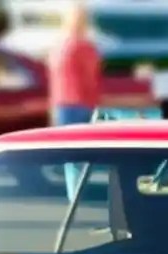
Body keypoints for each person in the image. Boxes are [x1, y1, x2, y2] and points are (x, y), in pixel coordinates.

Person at [46, 3, 100, 200]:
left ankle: (75, 196)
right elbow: (91, 77)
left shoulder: (59, 46)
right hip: (78, 103)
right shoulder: (83, 46)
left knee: (72, 157)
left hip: (66, 104)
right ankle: (77, 196)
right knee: (78, 156)